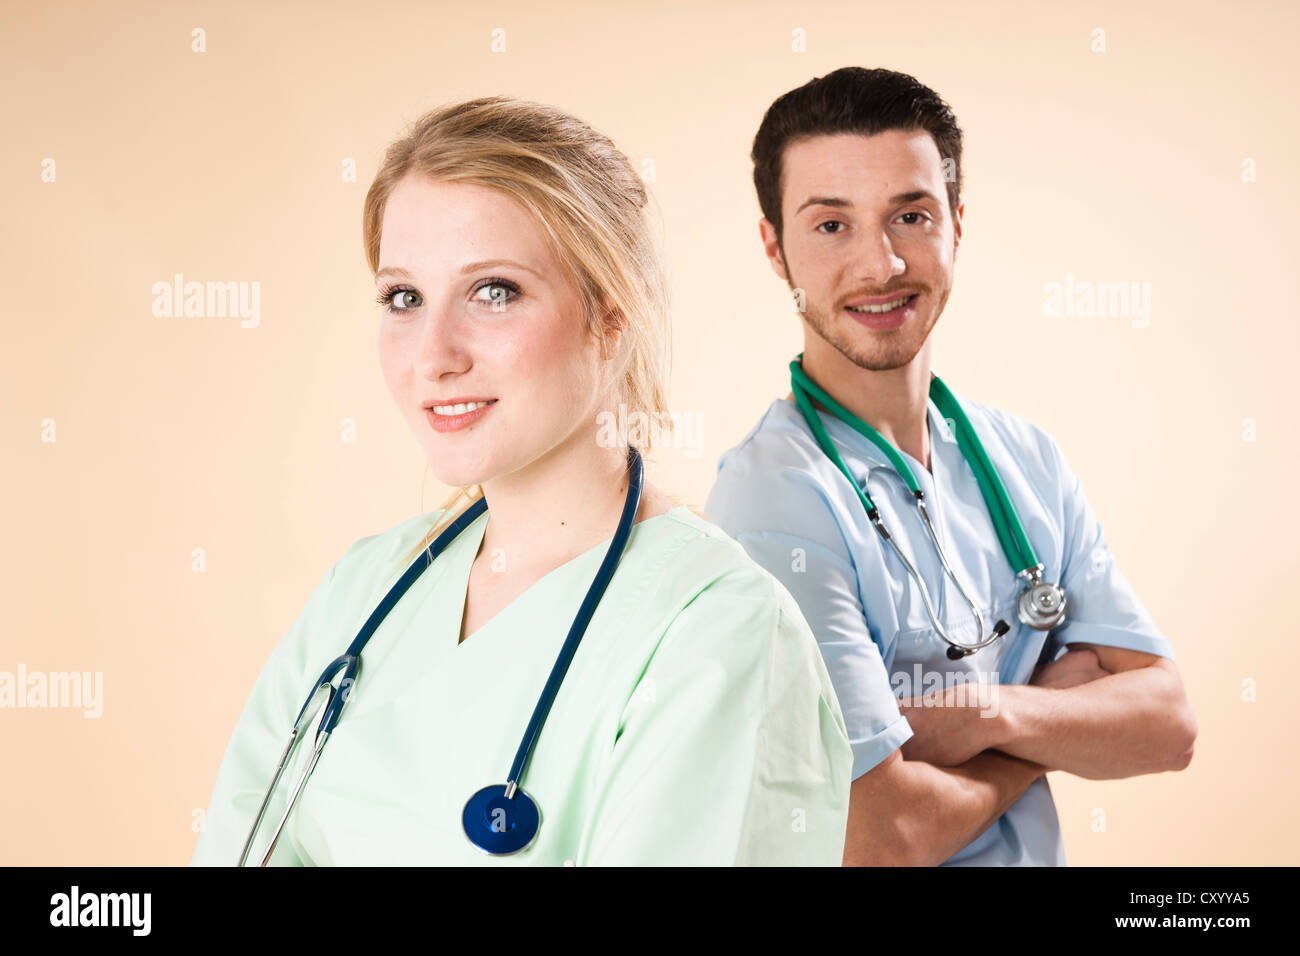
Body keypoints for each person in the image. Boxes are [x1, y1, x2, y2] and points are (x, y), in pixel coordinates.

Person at [191, 95, 852, 866]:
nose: (434, 355)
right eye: (404, 297)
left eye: (493, 292)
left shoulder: (718, 632)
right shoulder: (365, 590)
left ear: (611, 316)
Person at [704, 67, 1197, 866]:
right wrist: (1047, 725)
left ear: (957, 226)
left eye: (911, 215)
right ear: (774, 247)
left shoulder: (1023, 458)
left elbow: (1167, 723)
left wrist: (985, 714)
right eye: (831, 226)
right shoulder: (774, 501)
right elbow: (883, 834)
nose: (882, 265)